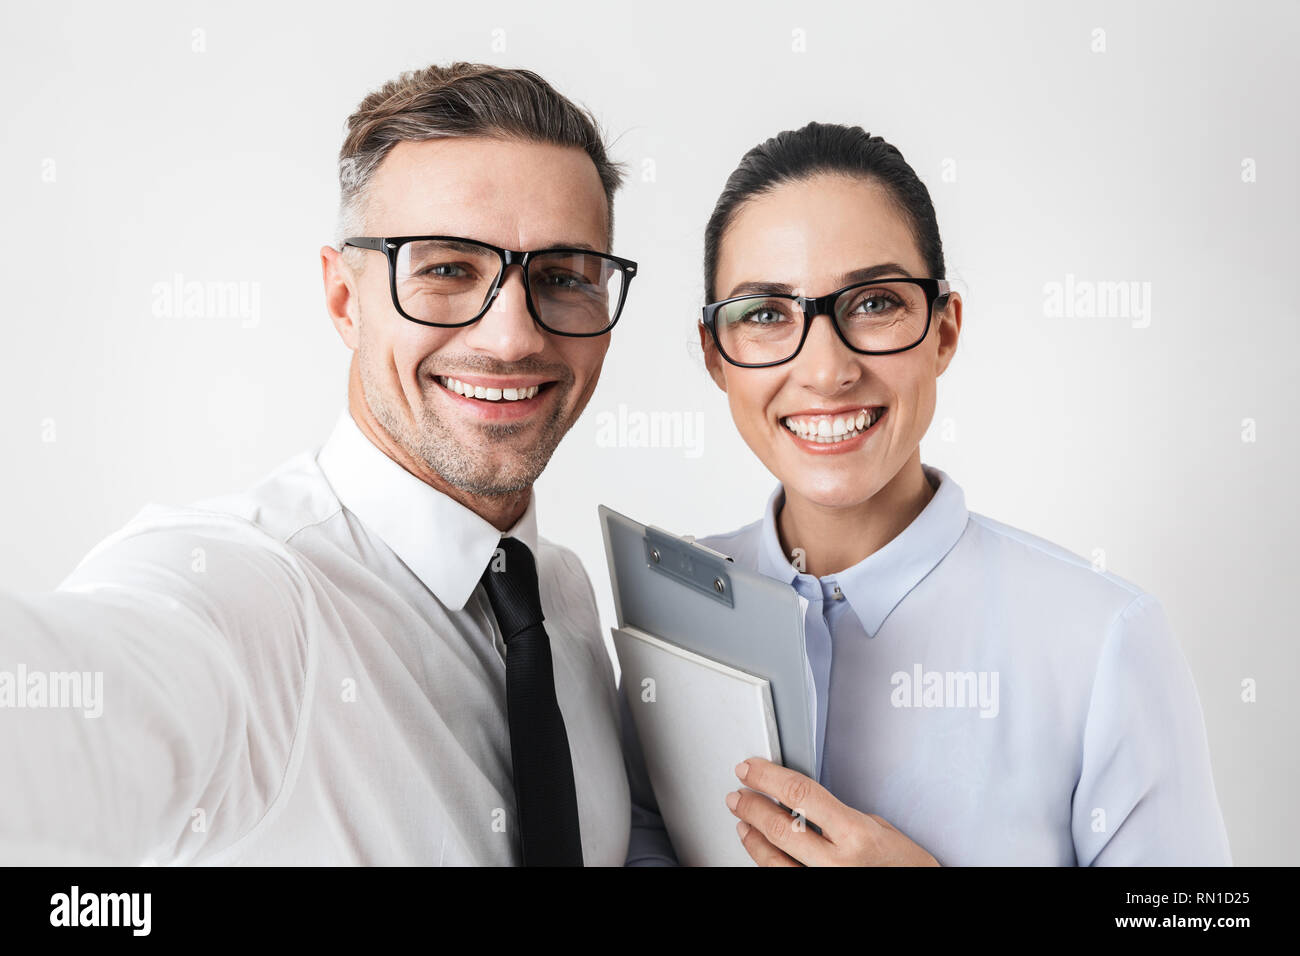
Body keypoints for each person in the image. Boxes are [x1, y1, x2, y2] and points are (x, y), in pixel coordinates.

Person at [0, 62, 674, 866]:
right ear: (344, 300)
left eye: (562, 277)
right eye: (448, 269)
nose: (513, 338)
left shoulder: (559, 596)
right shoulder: (246, 594)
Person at [693, 122, 1231, 866]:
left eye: (875, 303)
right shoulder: (672, 604)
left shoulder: (1104, 640)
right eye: (764, 314)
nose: (826, 369)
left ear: (943, 331)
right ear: (715, 356)